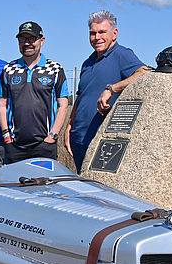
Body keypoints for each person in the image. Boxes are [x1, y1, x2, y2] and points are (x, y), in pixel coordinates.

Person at [63, 10, 149, 171]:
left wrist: (111, 89)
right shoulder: (87, 63)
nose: (97, 37)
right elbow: (81, 95)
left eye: (102, 32)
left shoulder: (122, 55)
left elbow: (144, 73)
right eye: (93, 33)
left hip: (102, 141)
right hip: (78, 139)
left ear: (114, 34)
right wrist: (69, 126)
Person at [0, 21, 69, 163]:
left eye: (31, 39)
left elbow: (63, 105)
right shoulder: (9, 69)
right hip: (15, 146)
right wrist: (6, 137)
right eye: (22, 39)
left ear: (42, 40)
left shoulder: (55, 69)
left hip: (44, 146)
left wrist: (52, 136)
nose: (27, 43)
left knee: (44, 185)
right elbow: (2, 105)